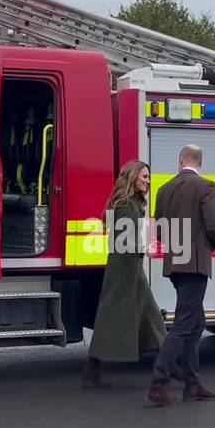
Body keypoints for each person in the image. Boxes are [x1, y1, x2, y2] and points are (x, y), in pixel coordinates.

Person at [147, 145, 215, 406]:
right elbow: (213, 224)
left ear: (180, 161)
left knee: (195, 322)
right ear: (199, 162)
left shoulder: (163, 188)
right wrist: (212, 245)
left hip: (175, 263)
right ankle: (159, 381)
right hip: (195, 264)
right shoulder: (206, 187)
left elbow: (159, 232)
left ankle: (192, 383)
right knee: (184, 324)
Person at [84, 160, 166, 387]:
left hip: (129, 267)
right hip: (124, 268)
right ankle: (170, 369)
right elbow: (123, 238)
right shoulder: (126, 205)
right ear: (132, 177)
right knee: (116, 317)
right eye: (144, 176)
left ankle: (168, 367)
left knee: (150, 318)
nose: (147, 181)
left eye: (148, 177)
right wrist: (145, 248)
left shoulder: (130, 203)